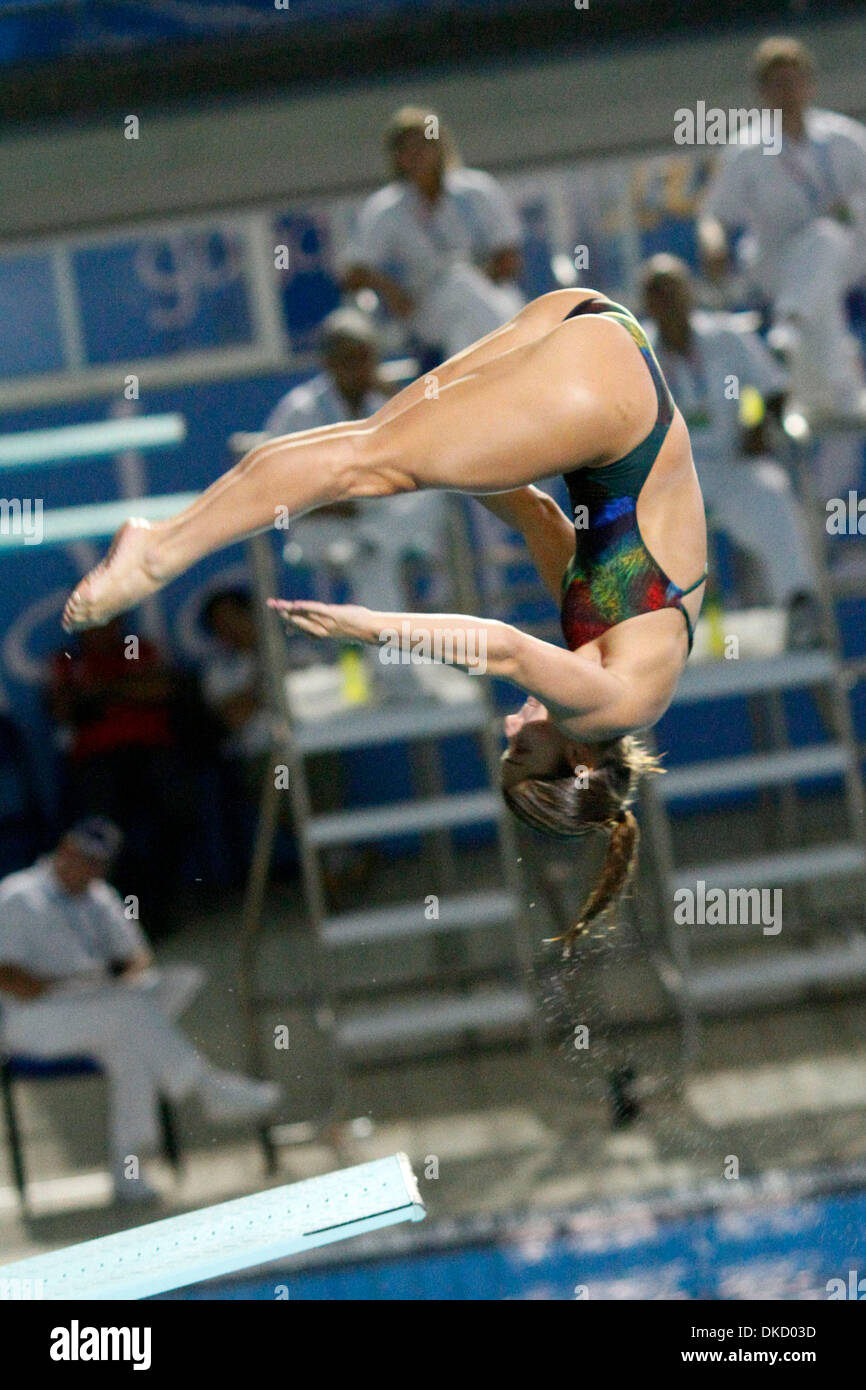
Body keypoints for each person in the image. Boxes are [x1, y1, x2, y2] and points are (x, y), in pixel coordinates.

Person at [61, 286, 707, 956]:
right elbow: (508, 650)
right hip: (606, 401)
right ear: (576, 758)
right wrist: (370, 626)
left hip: (593, 325)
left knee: (368, 449)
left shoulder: (612, 643)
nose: (509, 727)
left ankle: (164, 539)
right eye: (521, 750)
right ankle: (157, 551)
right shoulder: (613, 708)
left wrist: (441, 461)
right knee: (364, 465)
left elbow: (535, 513)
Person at [0, 819, 281, 1203]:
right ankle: (208, 1089)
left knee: (131, 1045)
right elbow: (6, 974)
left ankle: (127, 1170)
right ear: (65, 851)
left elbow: (138, 956)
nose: (93, 871)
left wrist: (110, 976)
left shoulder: (101, 897)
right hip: (33, 1021)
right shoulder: (16, 895)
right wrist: (62, 982)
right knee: (131, 1013)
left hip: (101, 1012)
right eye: (86, 860)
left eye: (100, 863)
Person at [640, 254, 821, 646]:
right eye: (656, 291)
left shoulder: (728, 337)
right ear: (647, 303)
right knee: (626, 518)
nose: (667, 298)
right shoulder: (636, 353)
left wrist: (757, 427)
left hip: (732, 462)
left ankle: (799, 607)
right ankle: (655, 638)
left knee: (770, 493)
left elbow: (773, 388)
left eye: (674, 287)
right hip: (671, 475)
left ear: (691, 292)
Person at [698, 36, 866, 421]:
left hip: (849, 260)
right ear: (762, 92)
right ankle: (842, 391)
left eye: (794, 81)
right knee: (820, 264)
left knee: (827, 242)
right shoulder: (747, 150)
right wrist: (713, 245)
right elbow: (713, 216)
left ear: (809, 84)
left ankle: (790, 333)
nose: (787, 92)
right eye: (777, 84)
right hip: (776, 264)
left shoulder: (845, 138)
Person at [264, 309, 448, 645]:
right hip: (319, 527)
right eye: (350, 359)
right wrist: (336, 503)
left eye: (366, 358)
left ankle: (372, 539)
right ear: (330, 363)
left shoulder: (384, 400)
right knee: (372, 561)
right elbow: (273, 492)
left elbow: (426, 457)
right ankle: (397, 677)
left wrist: (399, 401)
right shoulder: (299, 412)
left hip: (377, 520)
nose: (360, 368)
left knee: (437, 492)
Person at [339, 106, 524, 361]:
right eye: (407, 149)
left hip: (490, 296)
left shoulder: (477, 191)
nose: (417, 155)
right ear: (397, 157)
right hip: (427, 309)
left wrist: (478, 280)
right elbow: (352, 274)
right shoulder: (386, 208)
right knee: (458, 283)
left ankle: (467, 387)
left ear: (440, 147)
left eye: (424, 145)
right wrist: (390, 289)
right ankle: (516, 349)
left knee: (462, 326)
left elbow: (509, 256)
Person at [47, 617, 193, 932]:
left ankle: (156, 905)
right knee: (100, 826)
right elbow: (63, 710)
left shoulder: (136, 648)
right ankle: (125, 914)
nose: (100, 630)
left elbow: (159, 689)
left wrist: (105, 691)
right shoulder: (68, 660)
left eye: (107, 620)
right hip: (96, 761)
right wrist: (122, 689)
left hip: (152, 753)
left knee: (176, 807)